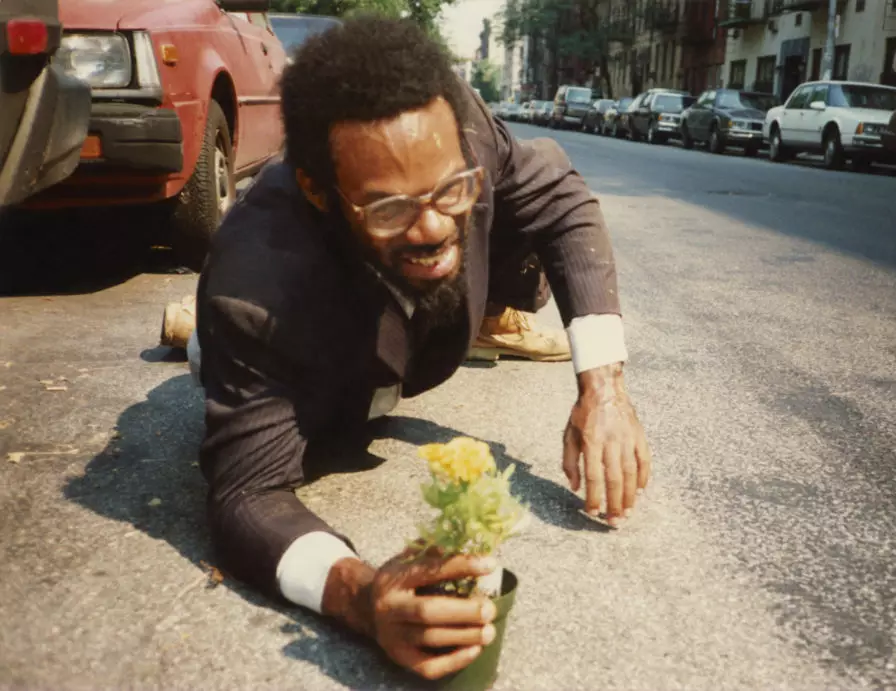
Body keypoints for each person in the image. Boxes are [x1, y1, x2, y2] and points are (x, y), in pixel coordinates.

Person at [191, 15, 652, 681]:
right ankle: (194, 332)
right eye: (389, 208)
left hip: (401, 331)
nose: (435, 226)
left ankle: (487, 314)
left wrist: (603, 387)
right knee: (232, 358)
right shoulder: (253, 294)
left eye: (450, 188)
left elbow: (562, 199)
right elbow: (246, 495)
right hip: (295, 363)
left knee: (495, 225)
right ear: (320, 192)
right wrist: (361, 595)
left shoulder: (459, 128)